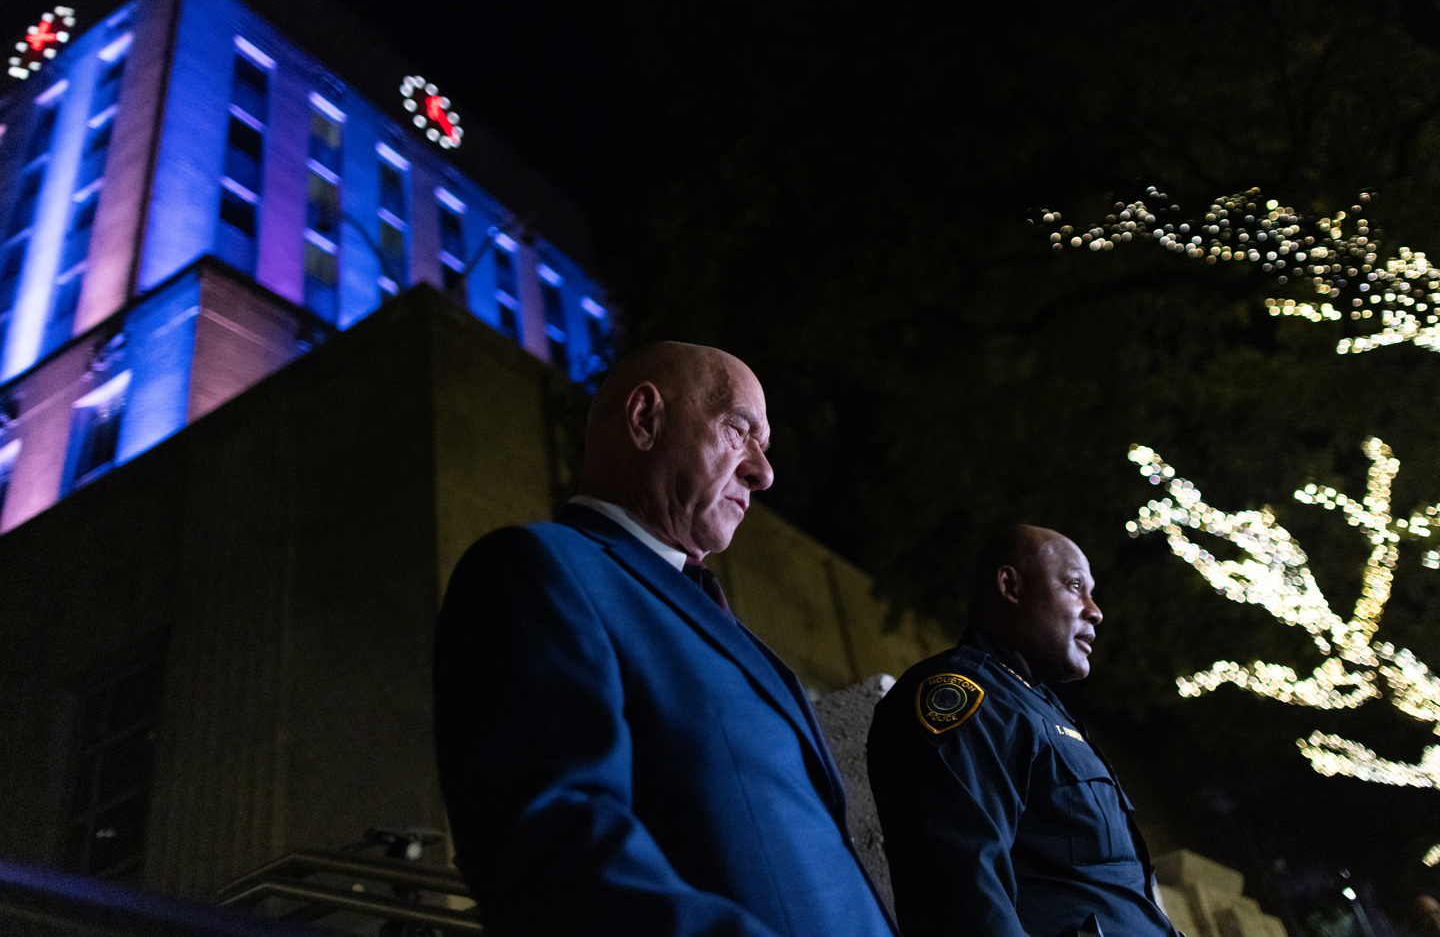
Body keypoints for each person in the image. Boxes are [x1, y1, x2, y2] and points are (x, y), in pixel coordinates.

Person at [434, 342, 896, 937]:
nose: (763, 472)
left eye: (765, 447)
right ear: (646, 419)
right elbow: (552, 845)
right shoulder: (536, 570)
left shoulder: (728, 627)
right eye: (738, 431)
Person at [866, 524, 1177, 937]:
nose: (1095, 611)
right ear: (1010, 586)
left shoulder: (1042, 708)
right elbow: (964, 896)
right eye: (1074, 586)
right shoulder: (969, 696)